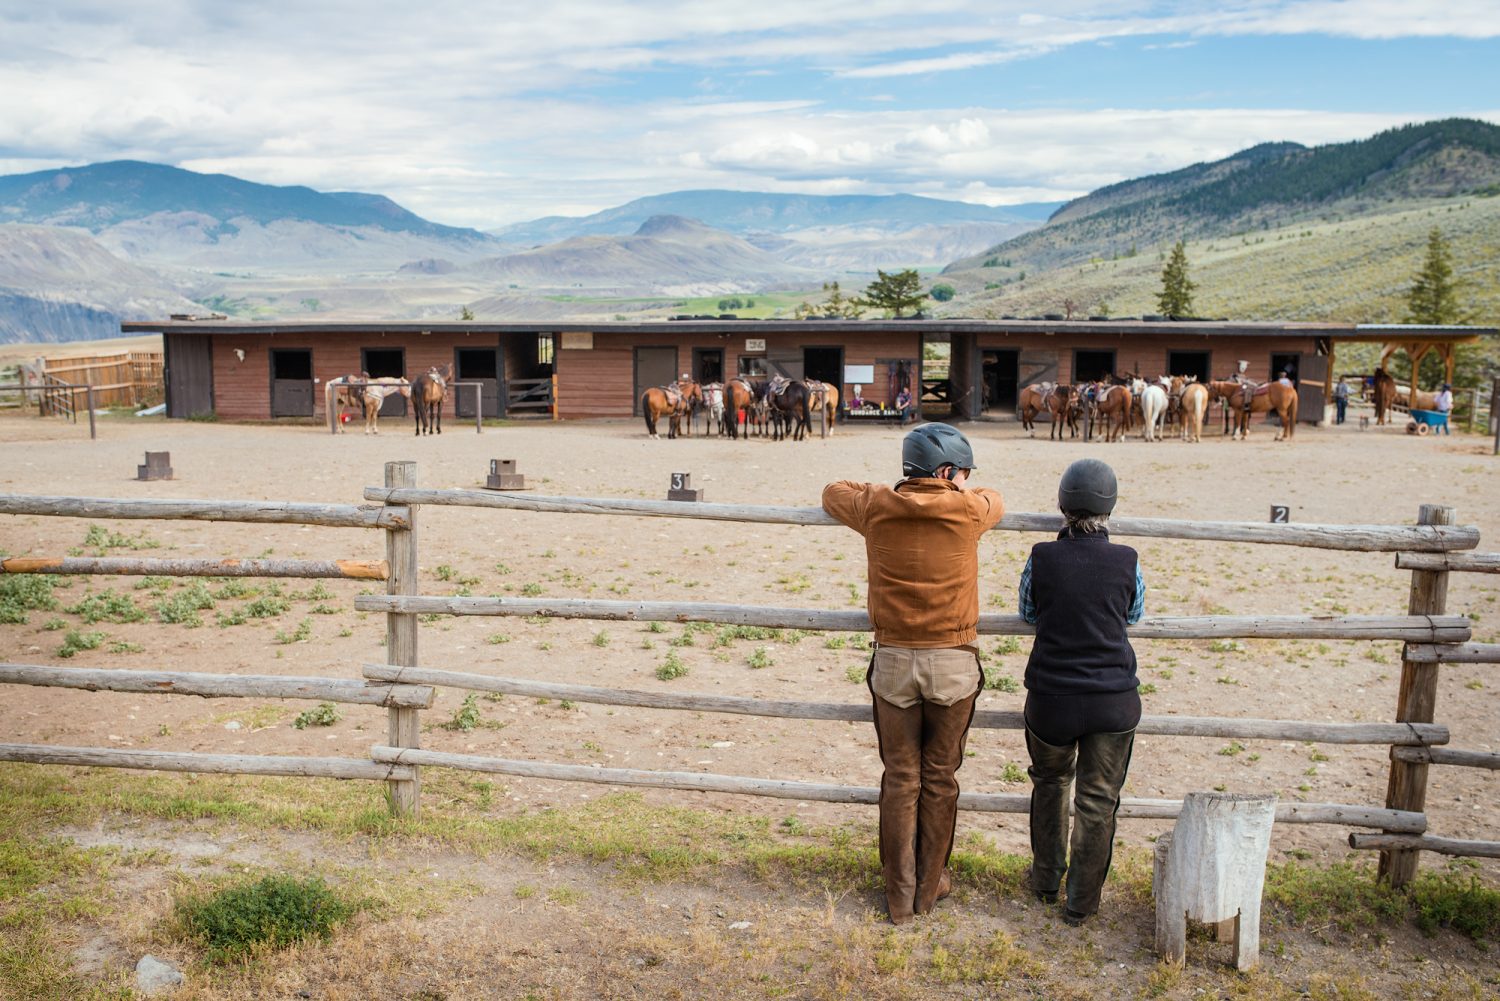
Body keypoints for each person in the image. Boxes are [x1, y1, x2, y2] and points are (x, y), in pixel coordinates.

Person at [822, 425, 1005, 925]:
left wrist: (883, 491)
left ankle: (899, 898)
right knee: (941, 776)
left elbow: (832, 491)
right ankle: (930, 887)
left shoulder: (877, 505)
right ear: (947, 473)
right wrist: (964, 490)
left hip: (895, 661)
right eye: (961, 474)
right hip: (952, 660)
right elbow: (995, 498)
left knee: (901, 778)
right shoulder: (969, 508)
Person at [1019, 459, 1144, 926]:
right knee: (1097, 800)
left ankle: (1047, 880)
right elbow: (1134, 614)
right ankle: (1082, 902)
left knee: (1050, 784)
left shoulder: (1041, 556)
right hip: (1113, 699)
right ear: (1110, 508)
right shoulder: (1127, 559)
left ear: (1063, 505)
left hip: (1051, 697)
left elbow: (1028, 610)